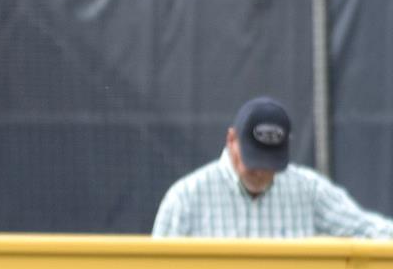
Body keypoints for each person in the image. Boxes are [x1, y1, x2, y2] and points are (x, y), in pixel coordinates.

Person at [152, 96, 393, 238]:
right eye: (254, 160)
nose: (260, 172)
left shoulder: (307, 191)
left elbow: (368, 228)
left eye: (270, 163)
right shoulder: (185, 199)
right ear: (231, 140)